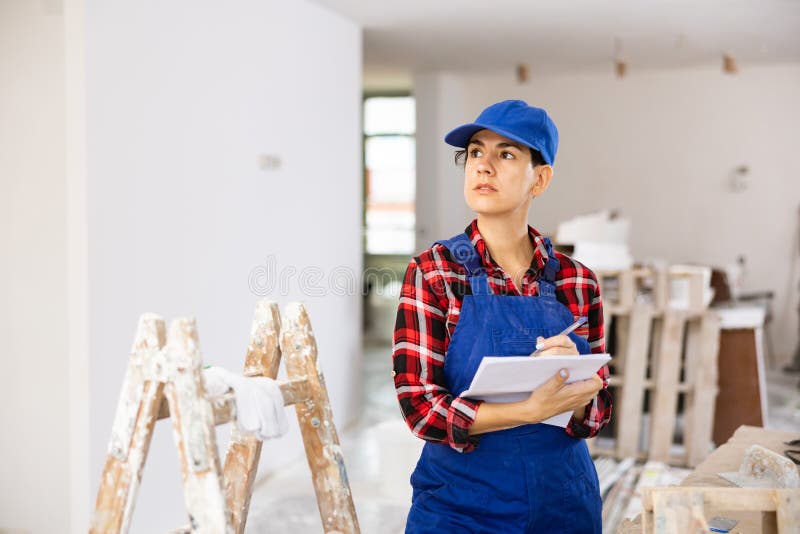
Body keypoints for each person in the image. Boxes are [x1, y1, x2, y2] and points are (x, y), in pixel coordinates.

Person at [392, 99, 612, 533]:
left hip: (564, 506)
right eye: (476, 151)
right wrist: (529, 410)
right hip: (461, 511)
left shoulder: (577, 281)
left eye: (506, 154)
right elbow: (419, 406)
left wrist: (578, 387)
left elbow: (599, 411)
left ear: (540, 179)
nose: (483, 166)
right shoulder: (435, 272)